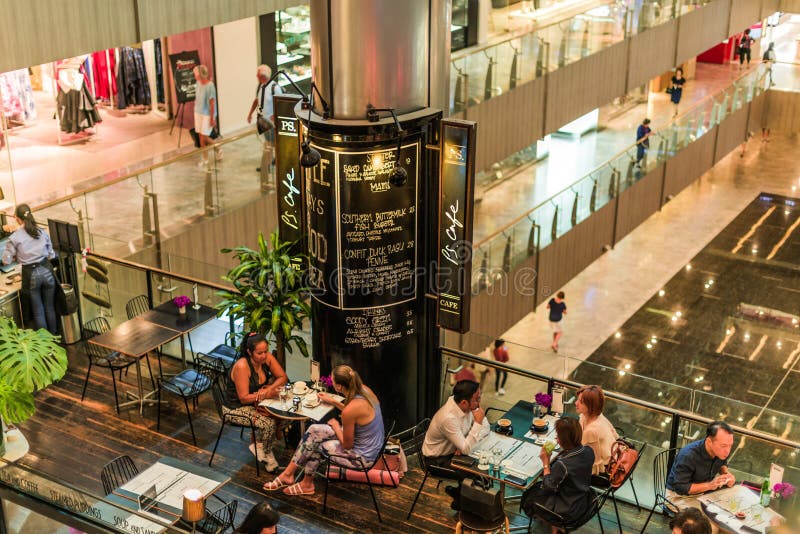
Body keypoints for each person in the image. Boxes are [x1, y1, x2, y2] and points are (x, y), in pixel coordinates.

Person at [263, 365, 384, 496]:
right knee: (314, 430)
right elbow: (356, 414)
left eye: (332, 381)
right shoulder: (365, 390)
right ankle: (290, 475)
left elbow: (347, 445)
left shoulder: (350, 410)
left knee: (316, 445)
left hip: (363, 457)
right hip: (372, 445)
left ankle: (303, 482)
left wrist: (336, 426)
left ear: (338, 387)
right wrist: (333, 401)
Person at [221, 333, 287, 472]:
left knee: (286, 411)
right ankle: (267, 455)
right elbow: (244, 398)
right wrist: (266, 394)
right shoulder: (242, 366)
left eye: (265, 351)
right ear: (249, 352)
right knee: (269, 424)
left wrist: (269, 389)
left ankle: (258, 442)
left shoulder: (266, 358)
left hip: (255, 403)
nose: (264, 355)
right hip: (235, 408)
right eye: (259, 353)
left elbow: (282, 377)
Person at [422, 379, 490, 508]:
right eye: (477, 399)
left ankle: (461, 496)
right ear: (464, 402)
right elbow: (466, 448)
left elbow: (486, 428)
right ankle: (469, 505)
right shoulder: (448, 418)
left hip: (453, 453)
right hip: (437, 460)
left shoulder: (467, 406)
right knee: (479, 471)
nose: (479, 403)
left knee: (484, 463)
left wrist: (466, 442)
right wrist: (477, 425)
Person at [521, 417, 595, 533]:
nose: (556, 438)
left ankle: (556, 524)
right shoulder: (588, 450)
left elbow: (548, 486)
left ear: (562, 440)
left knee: (529, 496)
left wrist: (546, 462)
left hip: (567, 509)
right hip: (583, 500)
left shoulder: (562, 465)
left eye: (558, 436)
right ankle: (555, 527)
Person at [665, 421, 735, 533]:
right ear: (709, 441)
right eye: (724, 446)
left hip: (703, 494)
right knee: (711, 526)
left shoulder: (721, 451)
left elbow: (722, 463)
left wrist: (726, 474)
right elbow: (681, 487)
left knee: (730, 515)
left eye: (730, 445)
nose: (727, 451)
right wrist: (710, 485)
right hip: (678, 496)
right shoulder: (689, 455)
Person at [2, 204, 57, 334]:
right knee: (50, 308)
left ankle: (45, 346)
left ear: (17, 219)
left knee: (38, 312)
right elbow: (52, 254)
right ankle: (55, 339)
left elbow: (6, 260)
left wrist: (17, 257)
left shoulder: (14, 238)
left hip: (31, 275)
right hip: (47, 271)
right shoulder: (42, 231)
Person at [246, 64, 283, 174]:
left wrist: (275, 115)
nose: (256, 76)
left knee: (268, 144)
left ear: (262, 76)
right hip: (263, 121)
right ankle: (275, 160)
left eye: (257, 74)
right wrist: (250, 114)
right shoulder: (262, 86)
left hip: (271, 122)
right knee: (272, 143)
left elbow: (280, 103)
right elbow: (257, 100)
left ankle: (266, 166)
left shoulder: (275, 88)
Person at [575, 385, 618, 476]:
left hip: (604, 471)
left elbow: (595, 465)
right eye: (577, 399)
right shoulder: (594, 416)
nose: (576, 403)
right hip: (614, 456)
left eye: (581, 402)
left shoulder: (591, 431)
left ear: (591, 406)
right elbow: (615, 435)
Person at [193, 65, 220, 167]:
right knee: (200, 136)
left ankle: (217, 147)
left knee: (204, 137)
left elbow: (212, 102)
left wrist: (213, 118)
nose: (194, 76)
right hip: (198, 113)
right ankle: (205, 159)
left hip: (207, 114)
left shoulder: (210, 85)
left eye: (195, 74)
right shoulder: (198, 83)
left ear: (199, 74)